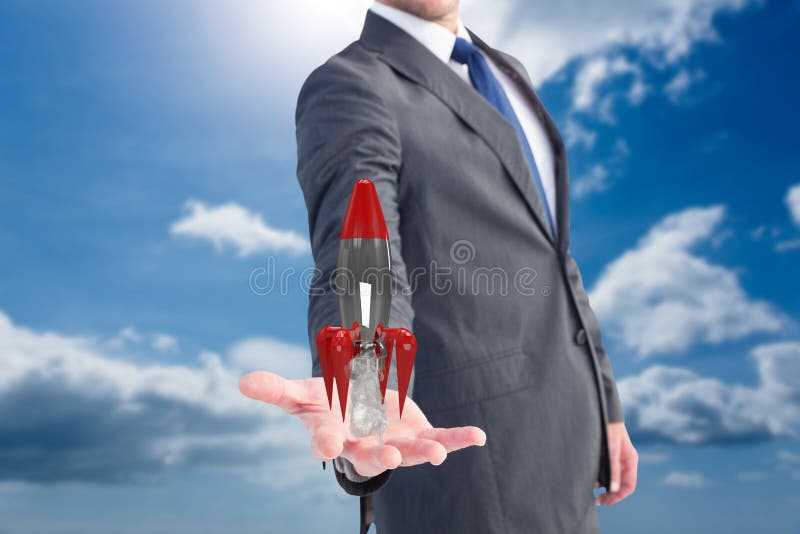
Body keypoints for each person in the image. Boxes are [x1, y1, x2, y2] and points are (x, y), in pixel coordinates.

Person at [239, 1, 638, 532]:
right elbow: (362, 247)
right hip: (468, 468)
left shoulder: (507, 70)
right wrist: (365, 393)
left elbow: (551, 253)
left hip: (566, 431)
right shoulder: (352, 84)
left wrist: (603, 401)